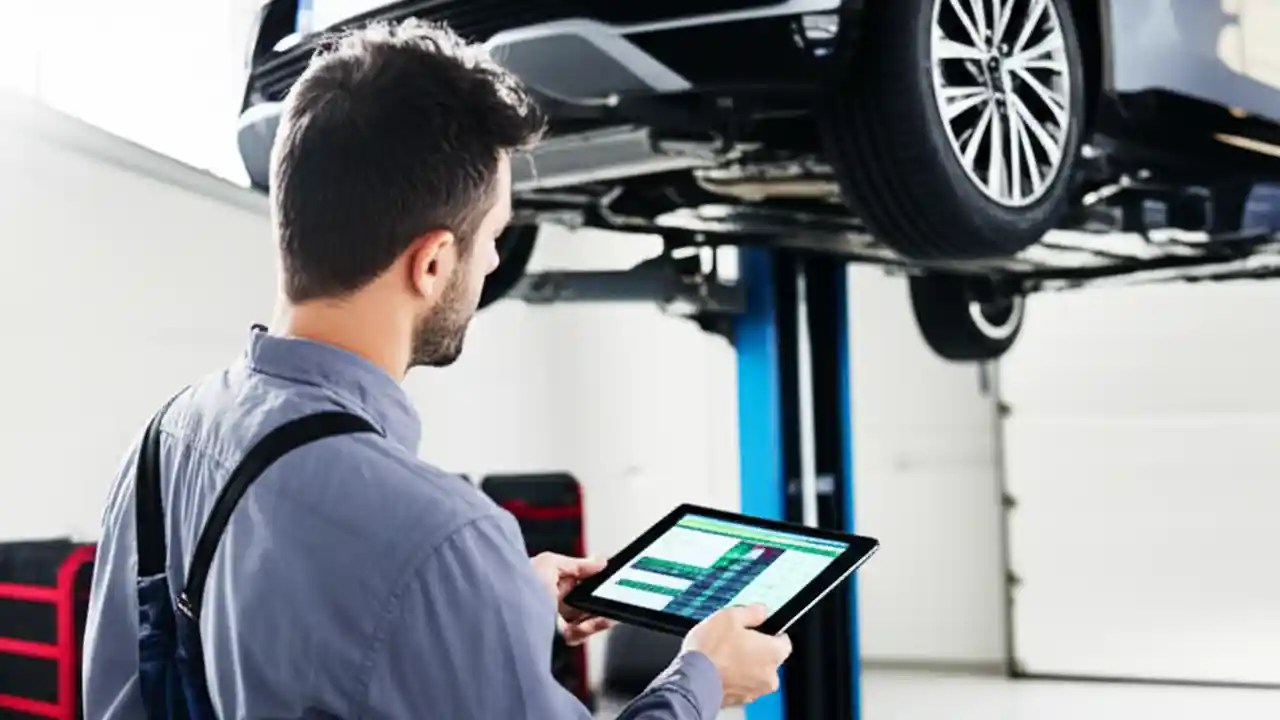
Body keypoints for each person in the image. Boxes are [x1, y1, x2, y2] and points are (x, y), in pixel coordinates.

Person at [81, 18, 791, 720]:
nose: (491, 263)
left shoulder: (164, 439)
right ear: (431, 263)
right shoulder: (442, 537)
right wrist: (703, 679)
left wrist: (499, 600)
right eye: (493, 237)